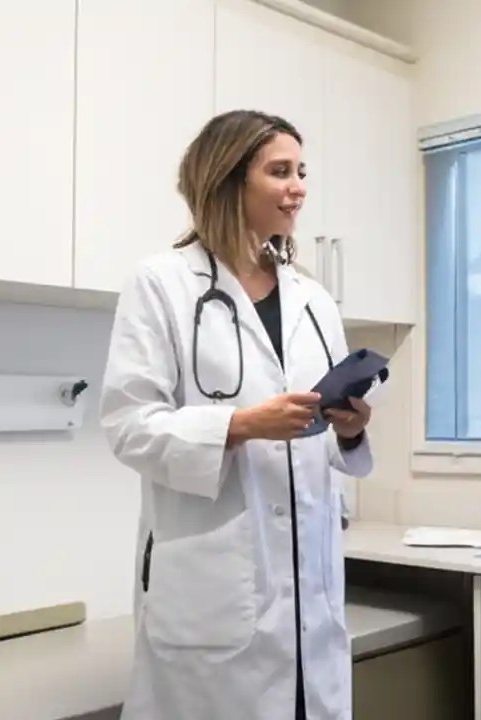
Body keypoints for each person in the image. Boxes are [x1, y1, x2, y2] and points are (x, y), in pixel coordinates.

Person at [100, 110, 374, 720]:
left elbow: (319, 444)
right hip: (213, 603)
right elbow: (128, 425)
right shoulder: (161, 284)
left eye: (302, 171)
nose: (298, 186)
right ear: (230, 180)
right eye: (280, 171)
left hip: (310, 605)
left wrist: (349, 431)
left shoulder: (312, 297)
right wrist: (240, 425)